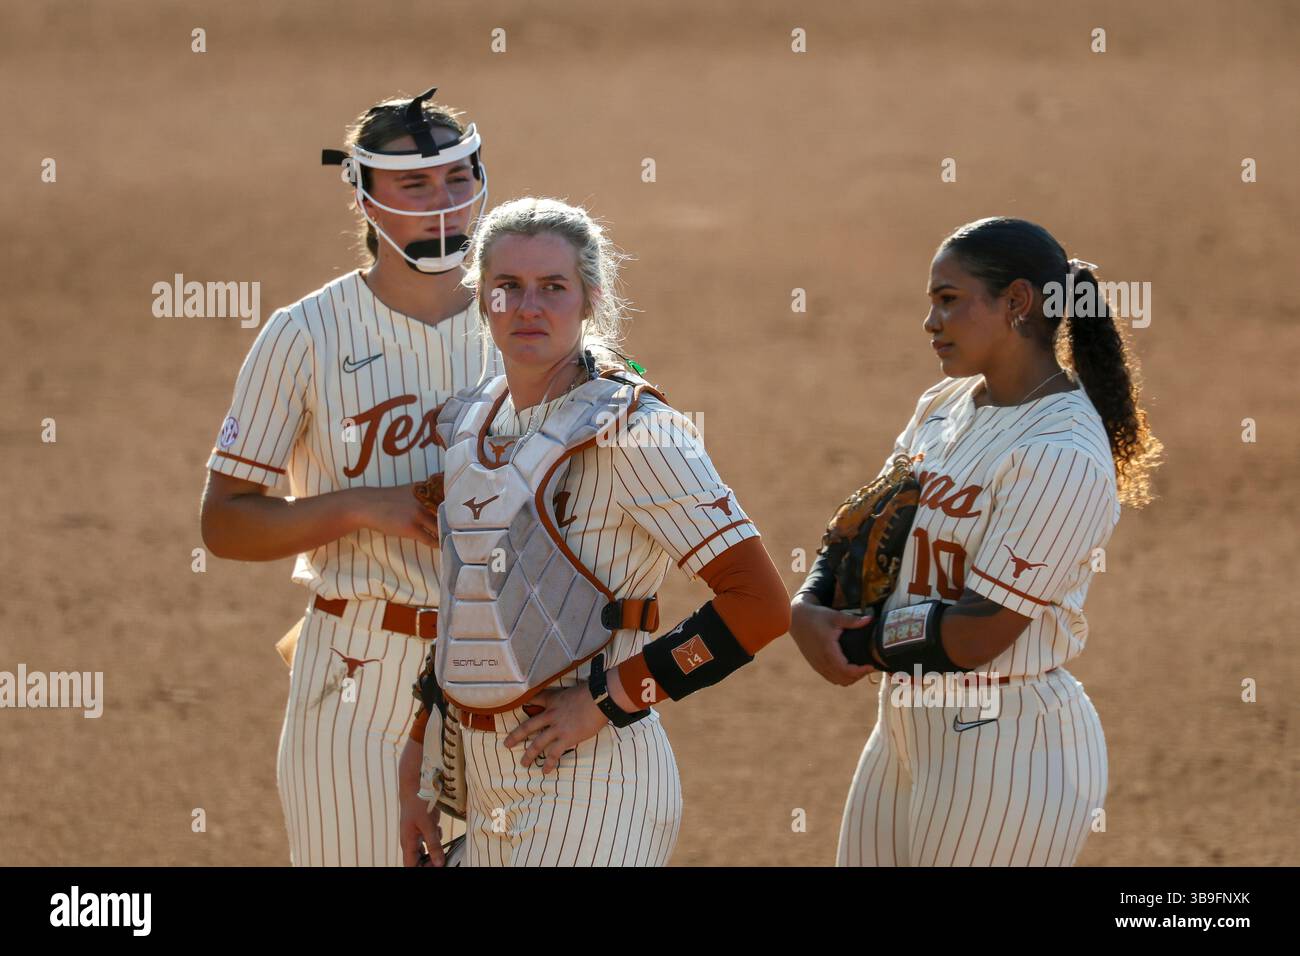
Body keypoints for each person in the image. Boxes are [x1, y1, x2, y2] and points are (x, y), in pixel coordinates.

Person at [396, 197, 792, 867]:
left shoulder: (636, 432)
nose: (529, 307)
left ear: (590, 299)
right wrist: (418, 751)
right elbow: (467, 605)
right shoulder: (473, 423)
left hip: (594, 780)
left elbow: (760, 605)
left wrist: (609, 700)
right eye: (509, 287)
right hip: (486, 774)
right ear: (482, 299)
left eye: (553, 287)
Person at [790, 217, 1162, 867]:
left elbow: (978, 633)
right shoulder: (943, 404)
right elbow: (865, 525)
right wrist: (812, 599)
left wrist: (853, 639)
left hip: (1007, 745)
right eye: (931, 302)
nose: (931, 322)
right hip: (905, 724)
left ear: (1016, 302)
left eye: (949, 299)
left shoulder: (1062, 452)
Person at [198, 86, 498, 866]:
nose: (445, 206)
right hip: (361, 667)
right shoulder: (304, 334)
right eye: (415, 186)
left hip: (514, 658)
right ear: (365, 198)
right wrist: (369, 505)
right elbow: (225, 522)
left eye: (458, 179)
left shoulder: (527, 318)